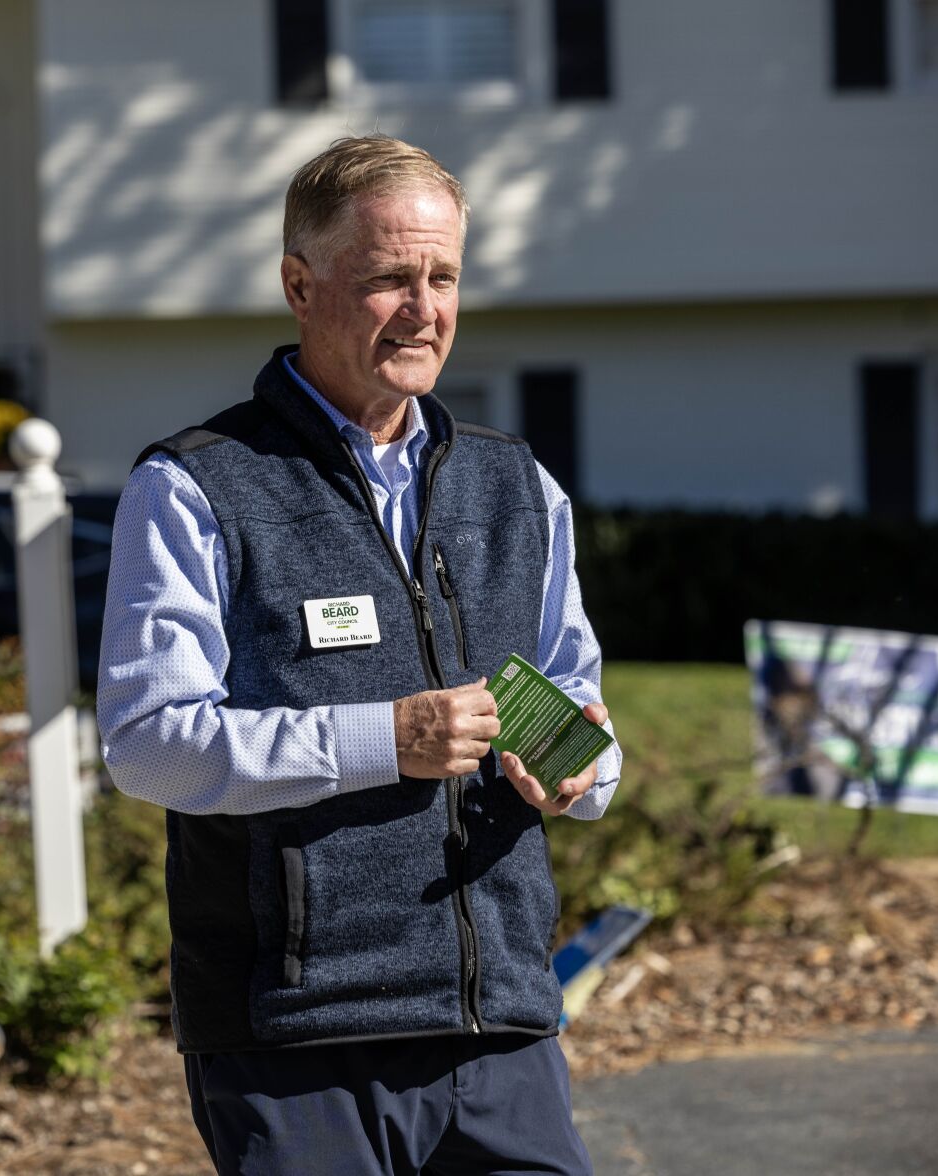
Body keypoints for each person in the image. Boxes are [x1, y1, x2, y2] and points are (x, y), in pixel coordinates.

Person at [99, 136, 623, 1175]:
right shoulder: (196, 487)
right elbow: (150, 746)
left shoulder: (516, 487)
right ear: (299, 285)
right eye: (387, 278)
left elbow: (584, 720)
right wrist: (387, 737)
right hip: (293, 1038)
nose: (422, 308)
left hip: (498, 1024)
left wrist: (582, 768)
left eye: (441, 277)